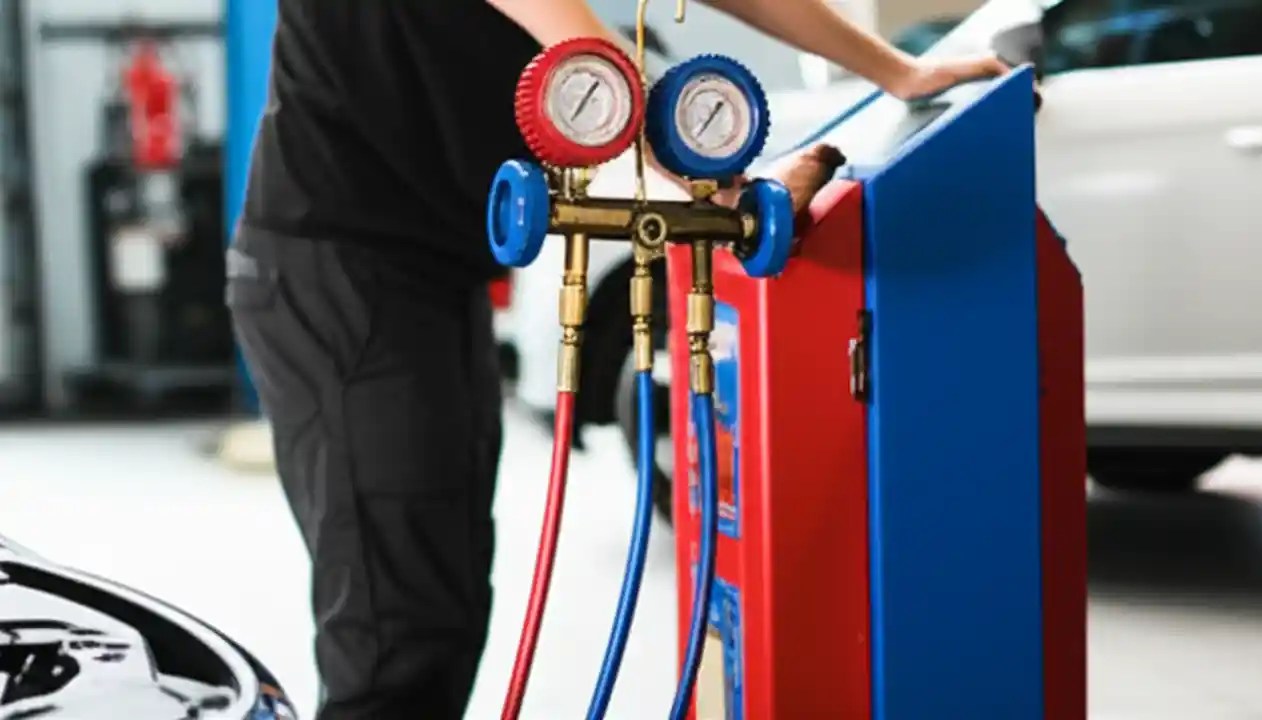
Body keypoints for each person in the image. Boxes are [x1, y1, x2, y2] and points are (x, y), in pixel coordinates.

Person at [224, 1, 1009, 718]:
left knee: (446, 607)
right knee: (396, 634)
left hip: (431, 268)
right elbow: (585, 55)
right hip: (340, 269)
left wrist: (897, 71)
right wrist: (707, 169)